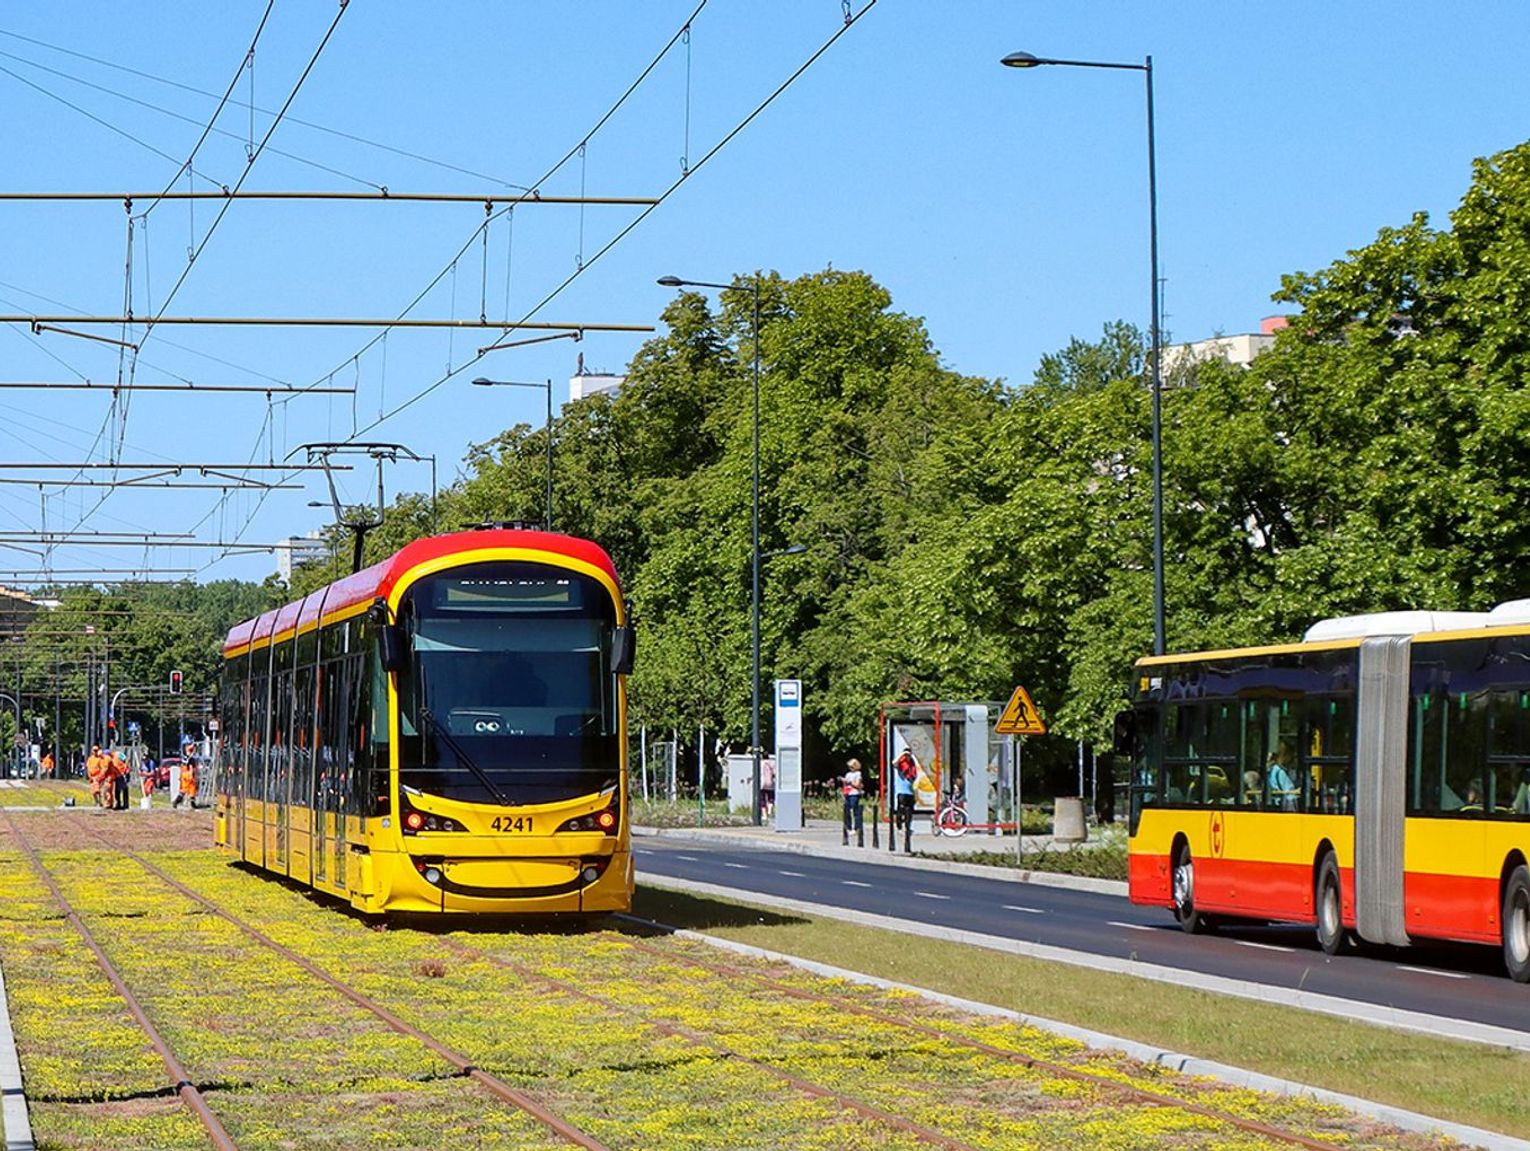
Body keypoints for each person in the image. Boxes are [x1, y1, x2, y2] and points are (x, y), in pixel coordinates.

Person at [892, 748, 917, 849]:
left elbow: (914, 775)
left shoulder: (912, 764)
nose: (908, 756)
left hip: (910, 791)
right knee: (901, 809)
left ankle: (908, 827)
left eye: (909, 755)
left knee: (909, 811)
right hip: (901, 791)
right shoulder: (901, 763)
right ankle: (899, 826)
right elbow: (894, 763)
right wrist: (902, 754)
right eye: (906, 755)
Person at [1267, 744, 1298, 810]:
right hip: (1283, 806)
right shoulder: (1280, 772)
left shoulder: (1272, 770)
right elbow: (1290, 793)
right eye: (1291, 756)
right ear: (1285, 756)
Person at [841, 757, 865, 847]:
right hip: (848, 793)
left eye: (852, 767)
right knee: (847, 810)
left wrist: (850, 783)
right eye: (849, 767)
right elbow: (845, 784)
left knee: (855, 810)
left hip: (854, 793)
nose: (850, 768)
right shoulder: (848, 774)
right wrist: (844, 783)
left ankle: (856, 827)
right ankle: (848, 827)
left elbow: (857, 784)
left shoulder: (858, 774)